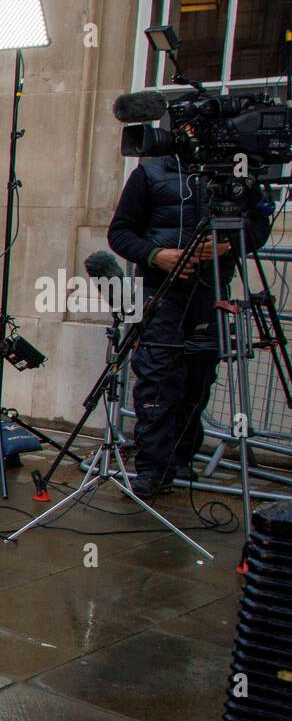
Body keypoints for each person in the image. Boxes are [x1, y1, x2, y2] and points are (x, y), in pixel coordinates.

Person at [108, 137, 271, 498]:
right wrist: (155, 255)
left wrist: (231, 244)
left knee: (198, 380)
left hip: (211, 291)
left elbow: (259, 226)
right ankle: (152, 469)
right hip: (158, 293)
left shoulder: (238, 170)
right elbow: (119, 232)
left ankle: (181, 459)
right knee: (156, 378)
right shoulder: (150, 172)